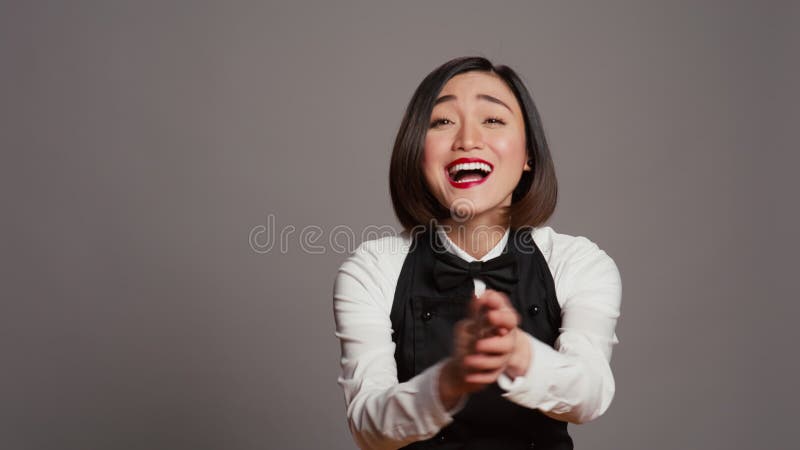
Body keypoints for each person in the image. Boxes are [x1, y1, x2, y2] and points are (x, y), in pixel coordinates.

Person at [333, 56, 622, 450]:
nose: (467, 139)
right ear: (418, 154)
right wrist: (449, 379)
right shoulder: (372, 268)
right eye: (442, 122)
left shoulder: (579, 263)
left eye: (492, 120)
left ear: (527, 156)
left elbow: (590, 394)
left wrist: (518, 354)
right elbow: (368, 425)